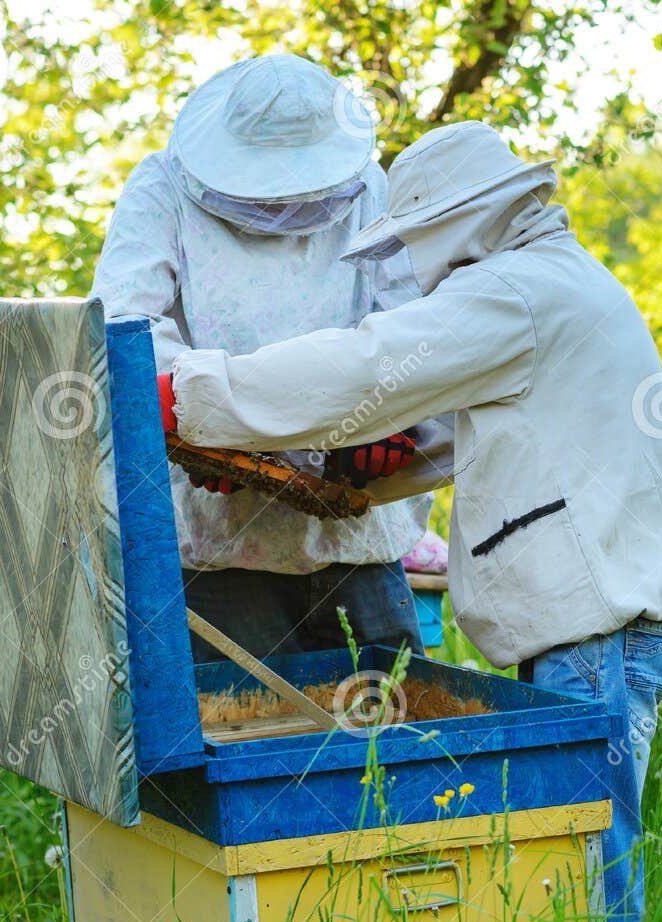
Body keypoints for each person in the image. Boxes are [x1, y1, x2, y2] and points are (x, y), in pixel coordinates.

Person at [159, 121, 662, 922]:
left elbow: (369, 364)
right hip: (605, 628)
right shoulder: (558, 284)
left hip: (599, 633)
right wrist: (337, 470)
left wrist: (195, 397)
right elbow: (454, 436)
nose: (413, 262)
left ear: (461, 219)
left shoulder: (511, 292)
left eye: (415, 239)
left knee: (586, 858)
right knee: (577, 847)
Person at [91, 54, 428, 660]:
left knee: (390, 732)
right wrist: (198, 420)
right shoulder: (162, 186)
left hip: (357, 530)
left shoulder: (370, 185)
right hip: (218, 538)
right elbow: (124, 321)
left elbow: (409, 314)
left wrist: (391, 408)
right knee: (248, 732)